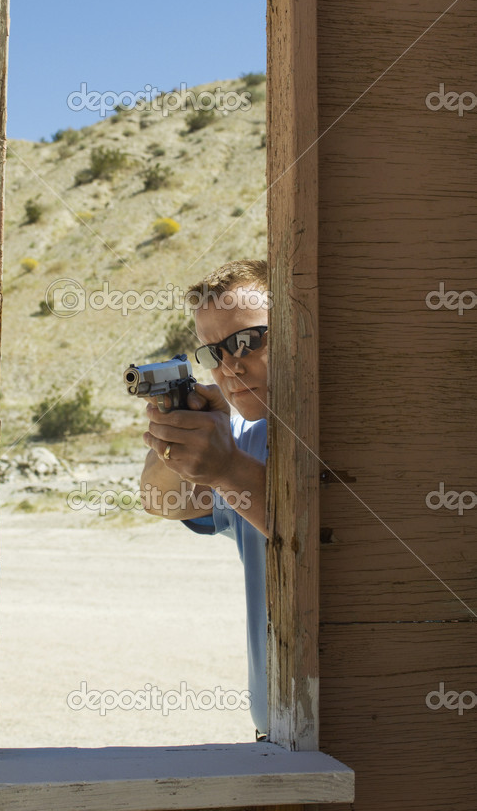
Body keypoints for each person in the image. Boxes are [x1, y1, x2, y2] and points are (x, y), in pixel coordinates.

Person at [139, 259, 270, 740]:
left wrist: (225, 466)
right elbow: (160, 500)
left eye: (248, 341)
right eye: (214, 352)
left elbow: (317, 535)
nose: (231, 366)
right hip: (277, 730)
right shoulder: (241, 436)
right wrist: (172, 425)